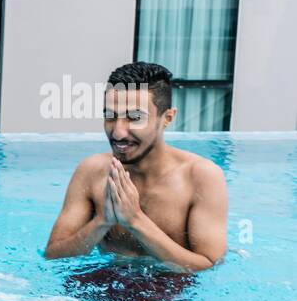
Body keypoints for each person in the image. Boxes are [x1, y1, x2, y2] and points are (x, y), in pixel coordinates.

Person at [44, 61, 228, 272]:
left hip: (173, 294)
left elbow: (209, 265)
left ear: (167, 118)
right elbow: (53, 255)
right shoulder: (92, 171)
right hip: (104, 283)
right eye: (110, 116)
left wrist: (135, 220)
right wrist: (101, 222)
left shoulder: (200, 176)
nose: (118, 133)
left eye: (135, 117)